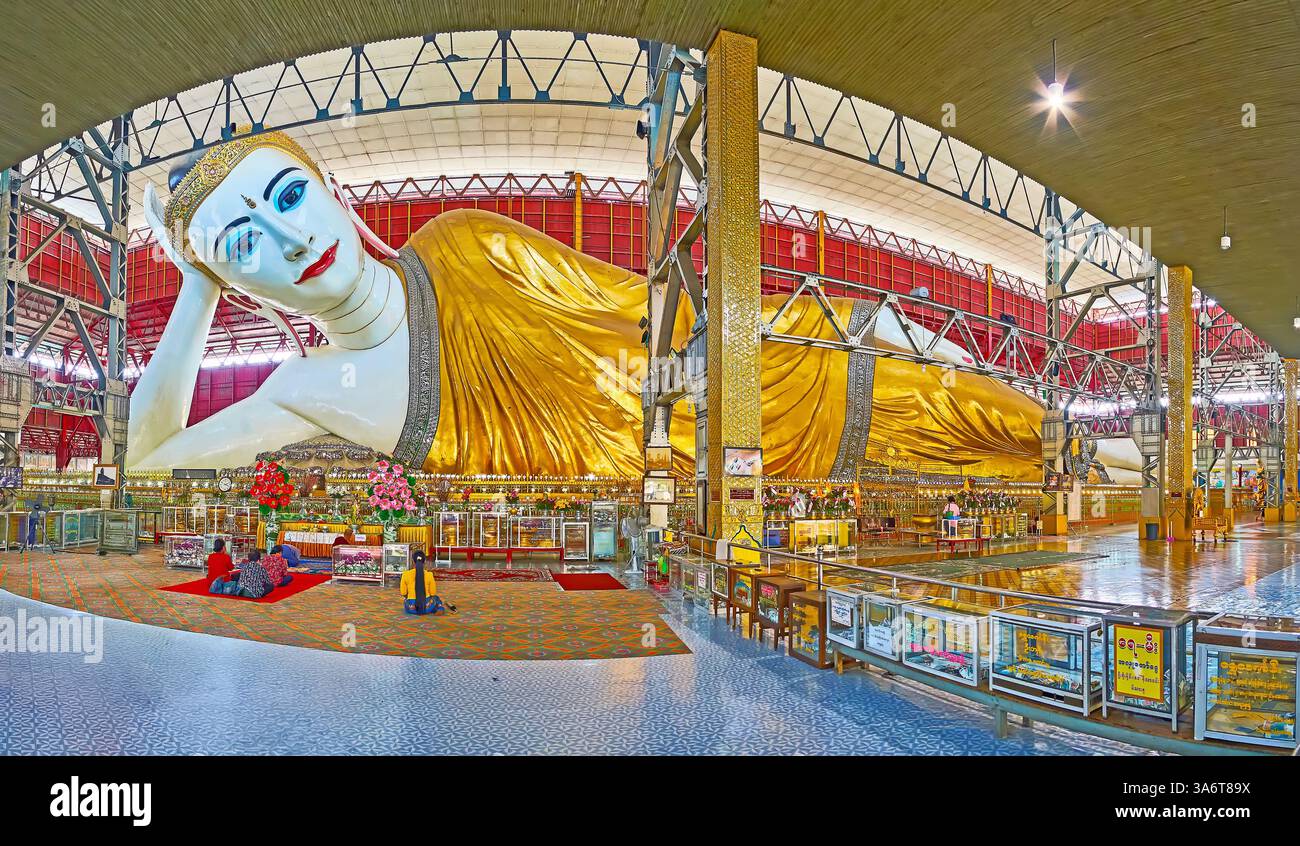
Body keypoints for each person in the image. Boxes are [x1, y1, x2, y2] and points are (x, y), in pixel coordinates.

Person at [399, 550, 455, 614]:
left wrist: (409, 598)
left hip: (411, 609)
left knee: (405, 600)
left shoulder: (405, 574)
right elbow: (433, 593)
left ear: (413, 561)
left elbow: (403, 593)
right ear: (424, 562)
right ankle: (439, 608)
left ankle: (413, 607)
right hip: (427, 607)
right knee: (436, 598)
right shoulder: (429, 575)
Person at [209, 549, 274, 598]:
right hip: (254, 594)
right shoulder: (261, 568)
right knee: (271, 586)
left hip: (241, 590)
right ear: (258, 560)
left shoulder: (244, 566)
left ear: (248, 559)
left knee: (236, 576)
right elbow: (268, 582)